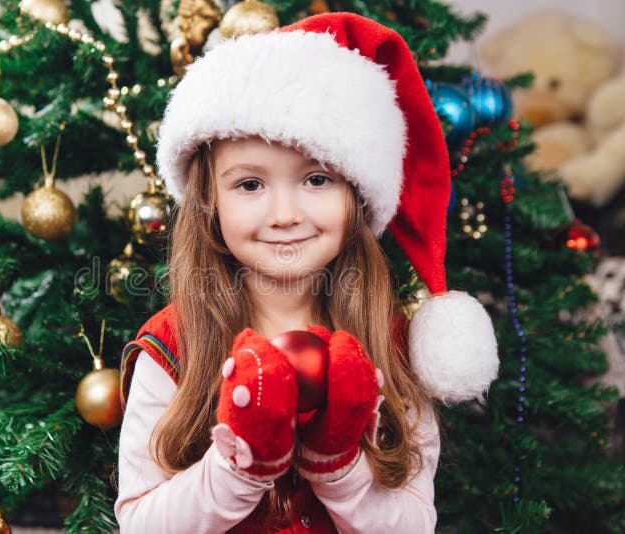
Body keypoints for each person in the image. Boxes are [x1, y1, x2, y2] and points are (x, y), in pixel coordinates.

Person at [114, 12, 499, 533]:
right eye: (250, 185)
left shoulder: (395, 347)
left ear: (357, 197)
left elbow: (413, 523)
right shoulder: (172, 345)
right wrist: (238, 468)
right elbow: (140, 522)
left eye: (316, 179)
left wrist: (338, 466)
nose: (285, 214)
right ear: (209, 202)